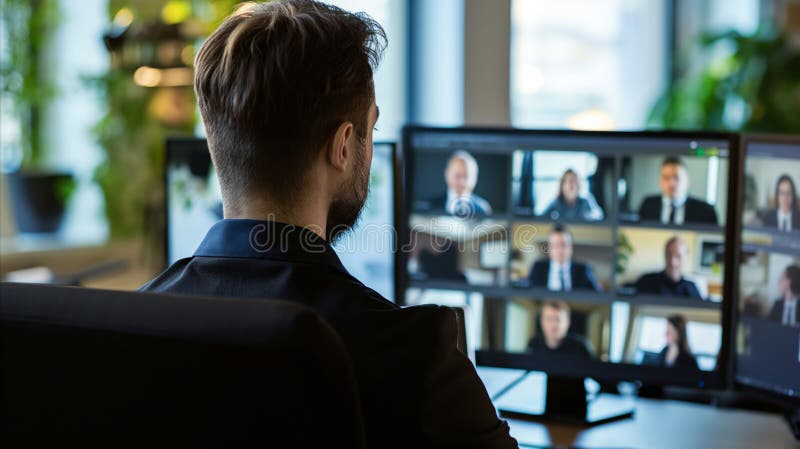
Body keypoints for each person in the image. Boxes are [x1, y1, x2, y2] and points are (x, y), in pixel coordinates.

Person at [140, 3, 517, 448]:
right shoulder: (417, 355)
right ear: (342, 145)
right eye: (369, 130)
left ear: (215, 140)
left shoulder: (131, 327)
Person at [638, 157, 718, 225]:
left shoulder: (706, 211)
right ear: (660, 181)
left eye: (676, 177)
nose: (671, 184)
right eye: (666, 178)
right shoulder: (647, 205)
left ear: (687, 182)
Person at [527, 225, 603, 292]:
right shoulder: (538, 268)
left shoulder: (583, 270)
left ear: (571, 248)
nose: (560, 250)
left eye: (564, 245)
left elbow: (598, 294)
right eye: (556, 245)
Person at [633, 236, 703, 300]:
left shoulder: (692, 289)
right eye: (669, 255)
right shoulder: (646, 281)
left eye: (678, 256)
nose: (672, 262)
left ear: (686, 257)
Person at [429, 150, 493, 217]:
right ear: (447, 174)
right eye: (457, 175)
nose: (462, 182)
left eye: (466, 176)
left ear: (475, 178)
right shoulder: (430, 206)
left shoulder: (483, 209)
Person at [527, 300, 594, 357]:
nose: (554, 325)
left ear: (568, 323)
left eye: (558, 320)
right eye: (549, 319)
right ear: (542, 322)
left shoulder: (581, 348)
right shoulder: (533, 345)